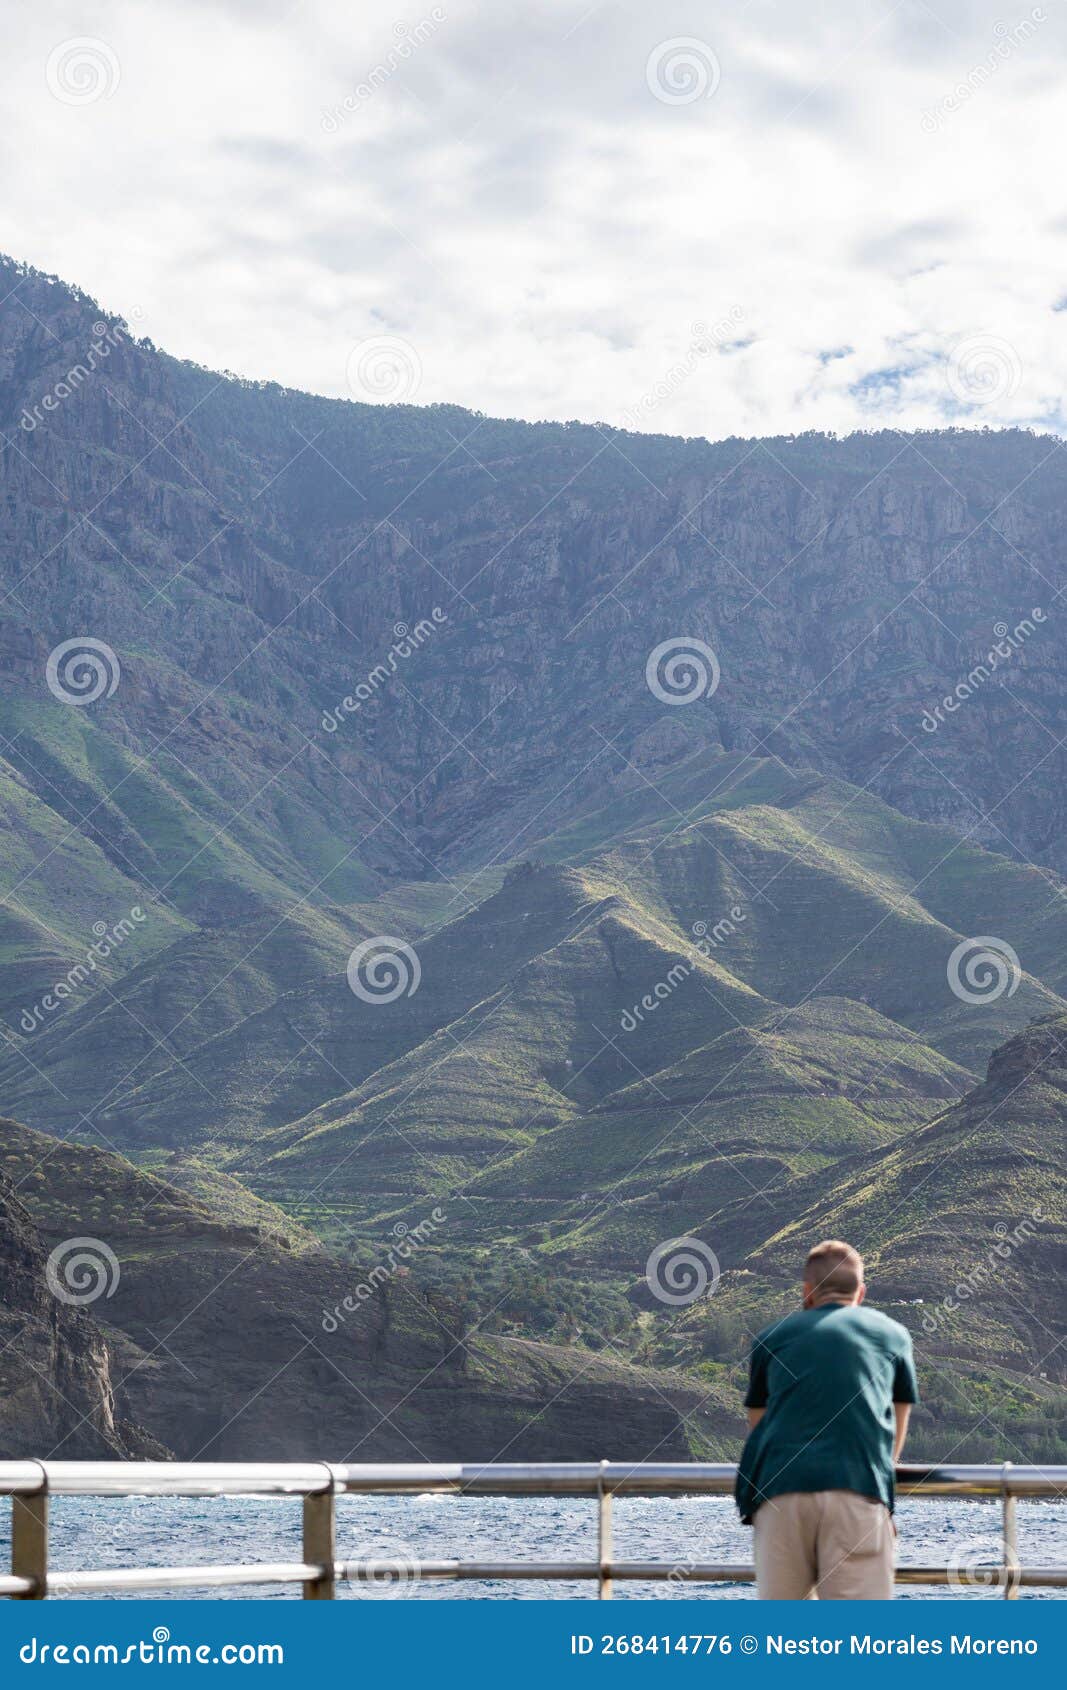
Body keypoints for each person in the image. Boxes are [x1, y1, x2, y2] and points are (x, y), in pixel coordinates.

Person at [735, 1239, 919, 1600]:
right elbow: (897, 1425)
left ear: (807, 1293)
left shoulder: (770, 1339)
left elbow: (759, 1425)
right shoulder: (893, 1337)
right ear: (861, 1292)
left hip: (781, 1496)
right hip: (856, 1490)